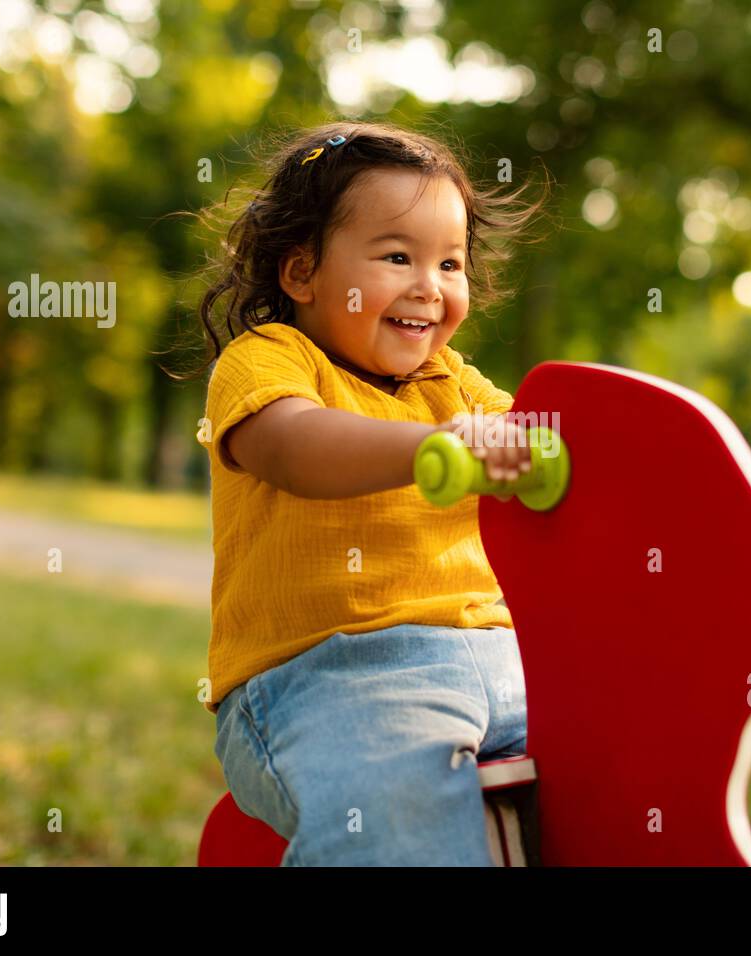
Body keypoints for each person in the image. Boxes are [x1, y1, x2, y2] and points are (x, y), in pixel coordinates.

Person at [197, 121, 551, 865]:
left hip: (504, 666)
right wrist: (438, 450)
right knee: (394, 807)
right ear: (301, 274)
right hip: (325, 677)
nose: (430, 286)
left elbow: (534, 443)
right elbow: (296, 447)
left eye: (450, 262)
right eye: (397, 257)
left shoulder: (454, 383)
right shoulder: (268, 360)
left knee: (623, 758)